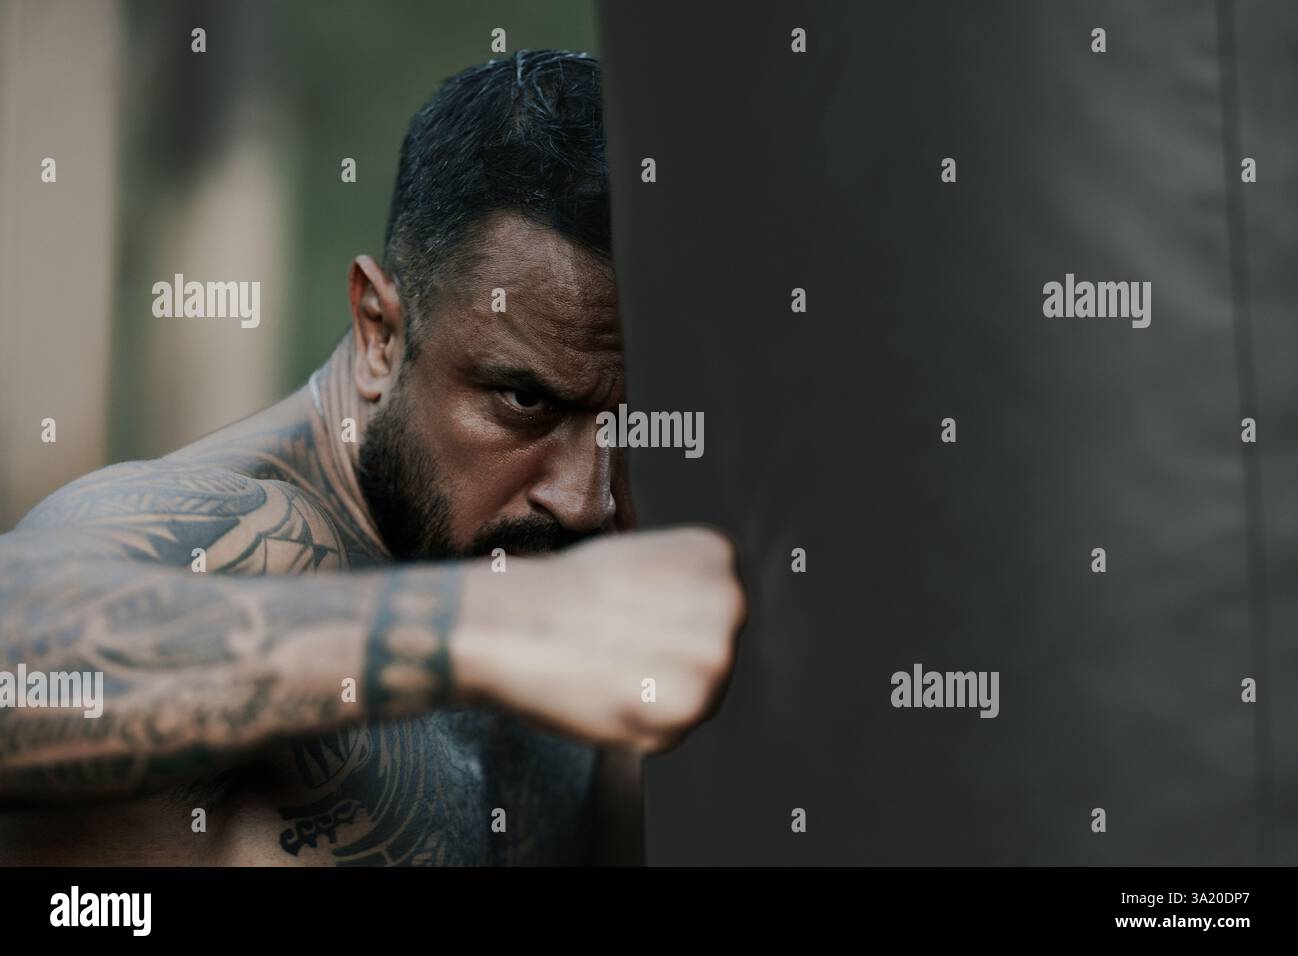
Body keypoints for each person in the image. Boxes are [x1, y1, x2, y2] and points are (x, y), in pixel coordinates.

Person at [0, 50, 744, 866]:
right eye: (525, 402)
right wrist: (501, 623)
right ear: (380, 333)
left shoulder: (579, 555)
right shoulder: (226, 536)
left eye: (634, 427)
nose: (585, 500)